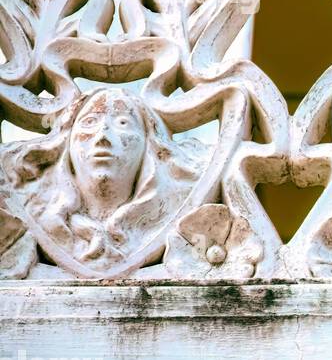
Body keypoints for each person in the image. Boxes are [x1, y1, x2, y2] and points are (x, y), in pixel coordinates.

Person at [0, 88, 205, 270]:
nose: (102, 136)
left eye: (123, 123)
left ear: (149, 145)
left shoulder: (175, 211)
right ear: (66, 143)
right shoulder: (33, 210)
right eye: (89, 122)